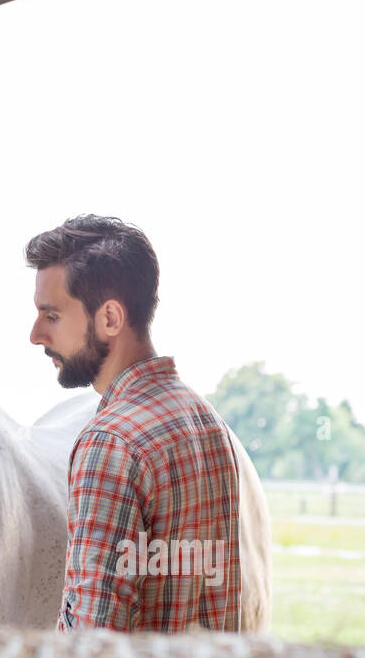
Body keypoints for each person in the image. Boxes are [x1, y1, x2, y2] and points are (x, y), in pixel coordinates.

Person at [25, 215, 241, 633]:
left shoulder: (110, 443)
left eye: (51, 316)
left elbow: (92, 645)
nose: (35, 335)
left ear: (109, 318)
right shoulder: (205, 419)